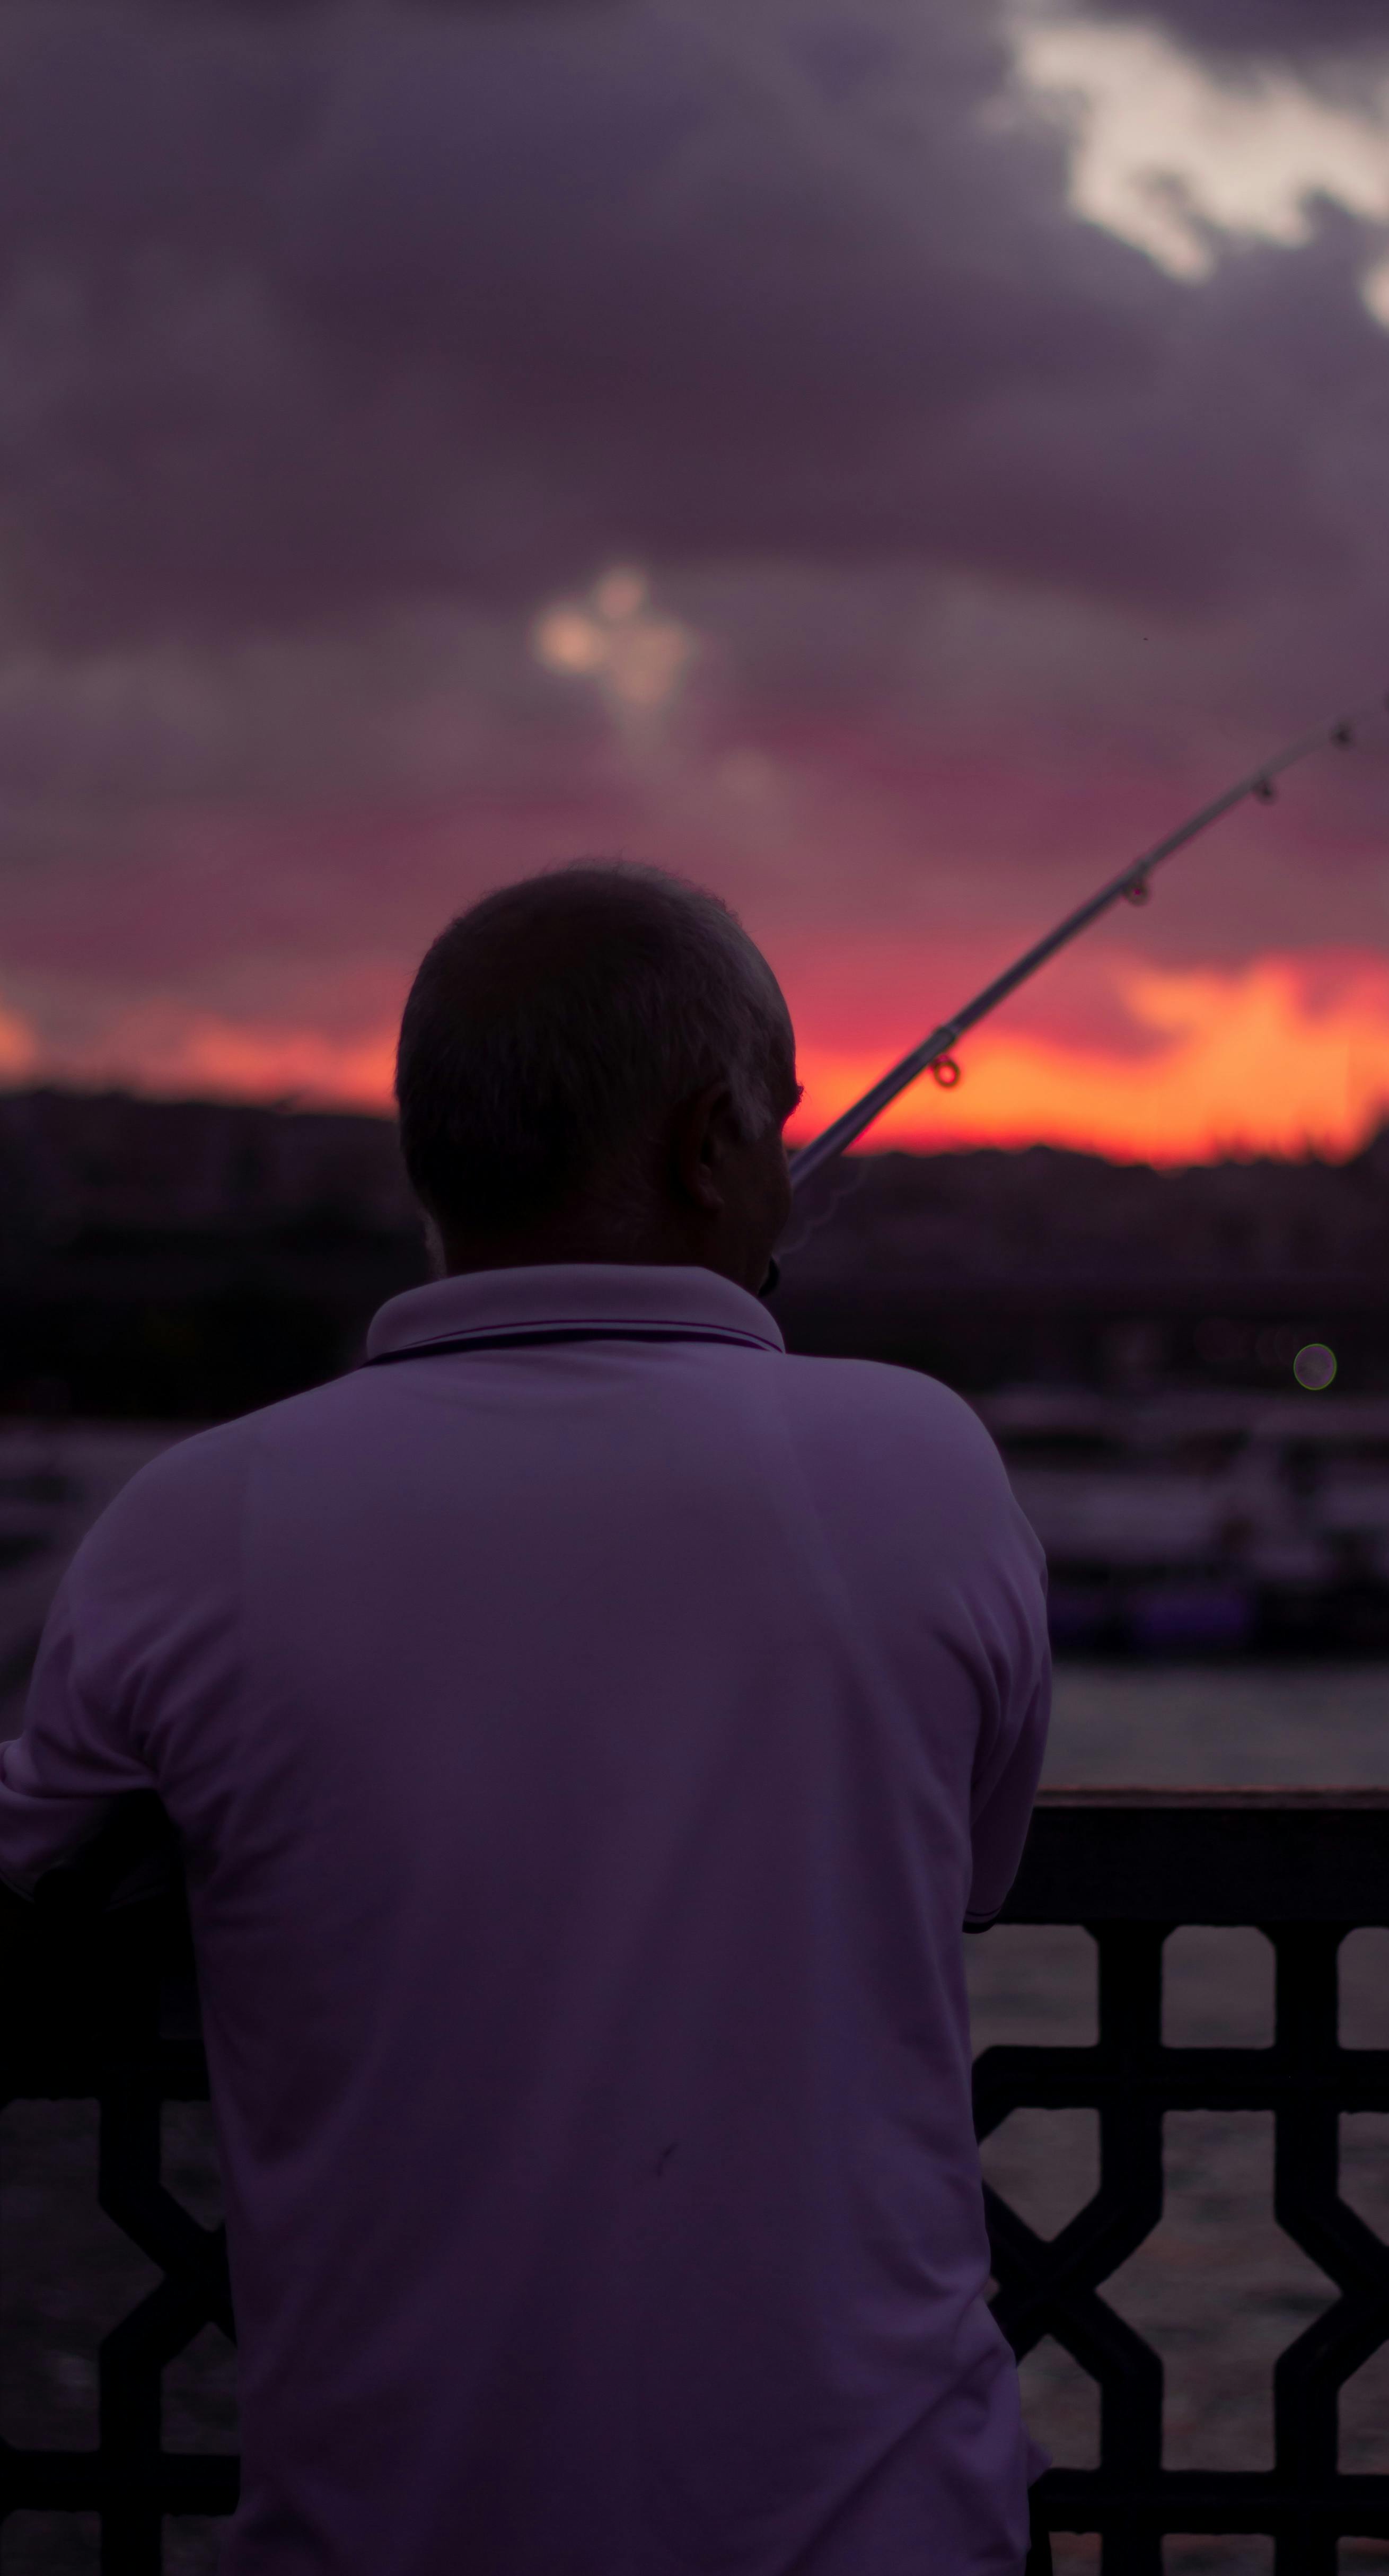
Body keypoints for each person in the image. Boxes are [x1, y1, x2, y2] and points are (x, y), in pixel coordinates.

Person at [0, 864, 1052, 2576]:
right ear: (715, 1140)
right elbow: (975, 1868)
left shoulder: (200, 1522)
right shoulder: (925, 1467)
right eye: (775, 1119)